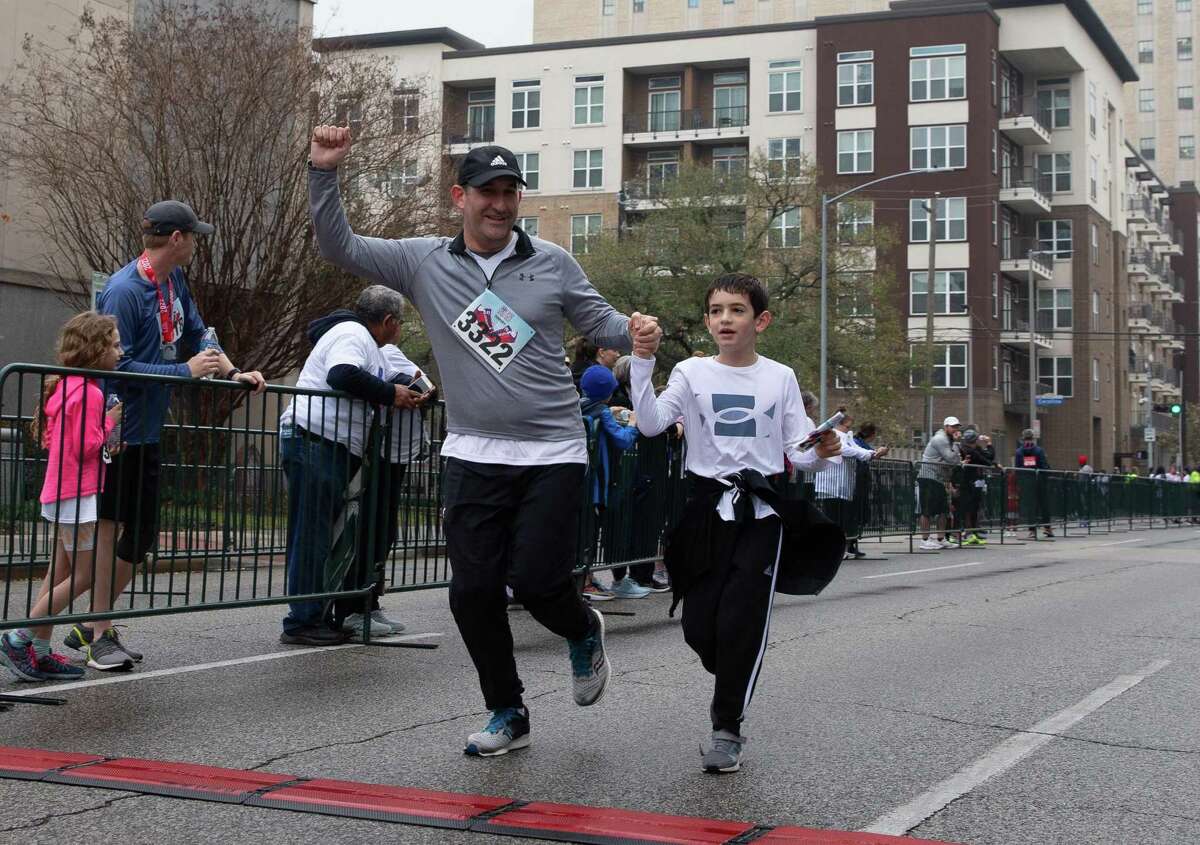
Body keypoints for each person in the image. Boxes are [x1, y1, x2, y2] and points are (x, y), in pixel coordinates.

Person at [308, 127, 661, 757]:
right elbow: (338, 245)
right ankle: (507, 710)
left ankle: (582, 630)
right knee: (470, 592)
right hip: (473, 450)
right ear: (460, 196)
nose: (499, 204)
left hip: (553, 448)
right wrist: (324, 171)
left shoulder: (551, 260)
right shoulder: (423, 261)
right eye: (486, 192)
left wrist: (633, 329)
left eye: (509, 192)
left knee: (535, 582)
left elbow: (598, 320)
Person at [629, 273, 844, 774]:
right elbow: (651, 423)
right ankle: (728, 667)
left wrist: (823, 448)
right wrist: (642, 364)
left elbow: (796, 450)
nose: (726, 318)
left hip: (761, 514)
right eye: (717, 310)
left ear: (760, 320)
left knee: (742, 621)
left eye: (737, 310)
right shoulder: (690, 372)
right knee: (702, 627)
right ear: (707, 321)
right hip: (704, 510)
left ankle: (727, 727)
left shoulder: (780, 377)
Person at [70, 201, 265, 670]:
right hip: (120, 431)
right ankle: (94, 632)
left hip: (149, 429)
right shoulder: (123, 290)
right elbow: (117, 363)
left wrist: (232, 369)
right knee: (112, 531)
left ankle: (94, 623)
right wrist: (183, 370)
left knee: (140, 536)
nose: (197, 242)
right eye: (193, 235)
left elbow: (200, 332)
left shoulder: (173, 279)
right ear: (176, 238)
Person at [278, 287, 430, 645]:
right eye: (400, 323)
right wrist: (391, 393)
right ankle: (301, 621)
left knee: (320, 535)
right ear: (389, 321)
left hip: (325, 443)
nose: (399, 330)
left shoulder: (359, 338)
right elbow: (342, 374)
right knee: (312, 535)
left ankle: (314, 614)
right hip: (317, 441)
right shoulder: (353, 333)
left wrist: (393, 386)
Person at [0, 313, 124, 680]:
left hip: (61, 491)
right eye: (115, 344)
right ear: (96, 349)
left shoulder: (65, 386)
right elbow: (87, 445)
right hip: (76, 493)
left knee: (62, 571)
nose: (120, 351)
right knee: (84, 575)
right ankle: (19, 637)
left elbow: (57, 440)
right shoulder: (90, 391)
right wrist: (111, 422)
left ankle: (37, 649)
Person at [335, 342, 434, 637]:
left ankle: (369, 603)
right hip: (376, 451)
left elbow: (425, 387)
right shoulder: (379, 350)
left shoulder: (389, 352)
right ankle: (351, 609)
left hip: (397, 454)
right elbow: (403, 381)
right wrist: (407, 385)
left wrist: (420, 387)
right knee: (369, 530)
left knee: (385, 530)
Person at [578, 364, 648, 600]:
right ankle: (585, 583)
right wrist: (632, 425)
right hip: (598, 484)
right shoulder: (603, 413)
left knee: (580, 532)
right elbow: (622, 441)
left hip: (578, 480)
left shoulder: (577, 407)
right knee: (589, 533)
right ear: (608, 391)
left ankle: (583, 577)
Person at [815, 412, 887, 559]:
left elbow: (856, 448)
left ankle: (841, 548)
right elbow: (845, 450)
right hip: (831, 484)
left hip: (842, 484)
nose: (850, 427)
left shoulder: (847, 436)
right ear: (840, 423)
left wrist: (873, 453)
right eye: (847, 424)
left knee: (842, 519)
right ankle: (833, 549)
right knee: (833, 518)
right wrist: (871, 454)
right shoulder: (831, 434)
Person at [916, 417, 961, 550]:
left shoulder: (949, 440)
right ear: (946, 427)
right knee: (927, 510)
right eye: (953, 427)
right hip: (928, 477)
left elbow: (954, 460)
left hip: (939, 479)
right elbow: (952, 459)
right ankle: (925, 540)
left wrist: (954, 458)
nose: (955, 429)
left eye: (957, 427)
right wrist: (956, 447)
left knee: (943, 510)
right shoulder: (940, 439)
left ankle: (941, 539)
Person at [956, 427, 997, 546]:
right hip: (967, 482)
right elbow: (986, 461)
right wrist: (992, 463)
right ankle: (969, 532)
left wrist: (989, 444)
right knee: (969, 508)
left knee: (975, 507)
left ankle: (974, 531)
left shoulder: (975, 449)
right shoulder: (968, 450)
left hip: (976, 481)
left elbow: (989, 456)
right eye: (973, 442)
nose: (974, 444)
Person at [1014, 428, 1053, 538]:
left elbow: (1018, 469)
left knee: (1031, 506)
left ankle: (1032, 530)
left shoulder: (1019, 452)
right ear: (1033, 438)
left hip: (1026, 482)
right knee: (1044, 505)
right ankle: (1047, 528)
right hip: (1040, 481)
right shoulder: (1039, 451)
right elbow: (1044, 467)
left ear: (1023, 439)